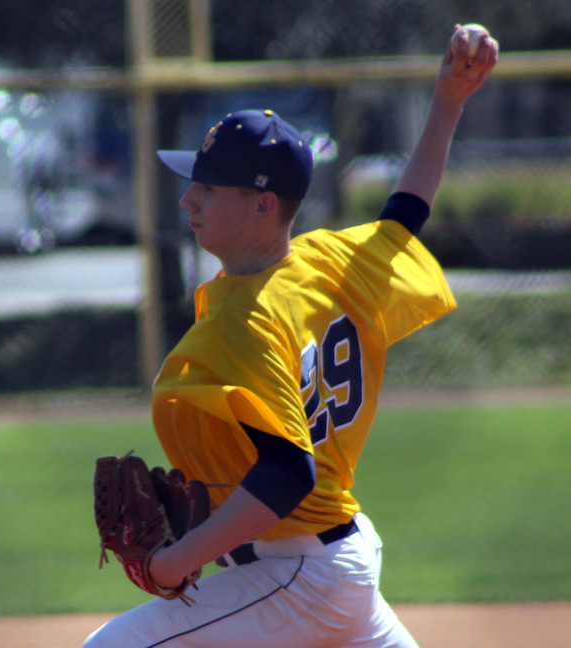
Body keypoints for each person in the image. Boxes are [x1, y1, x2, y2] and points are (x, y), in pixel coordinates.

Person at [85, 25, 498, 648]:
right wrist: (447, 102)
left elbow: (287, 474)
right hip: (339, 561)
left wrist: (173, 562)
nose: (187, 200)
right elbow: (405, 213)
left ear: (261, 205)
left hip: (296, 576)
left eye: (208, 188)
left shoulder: (242, 322)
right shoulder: (330, 260)